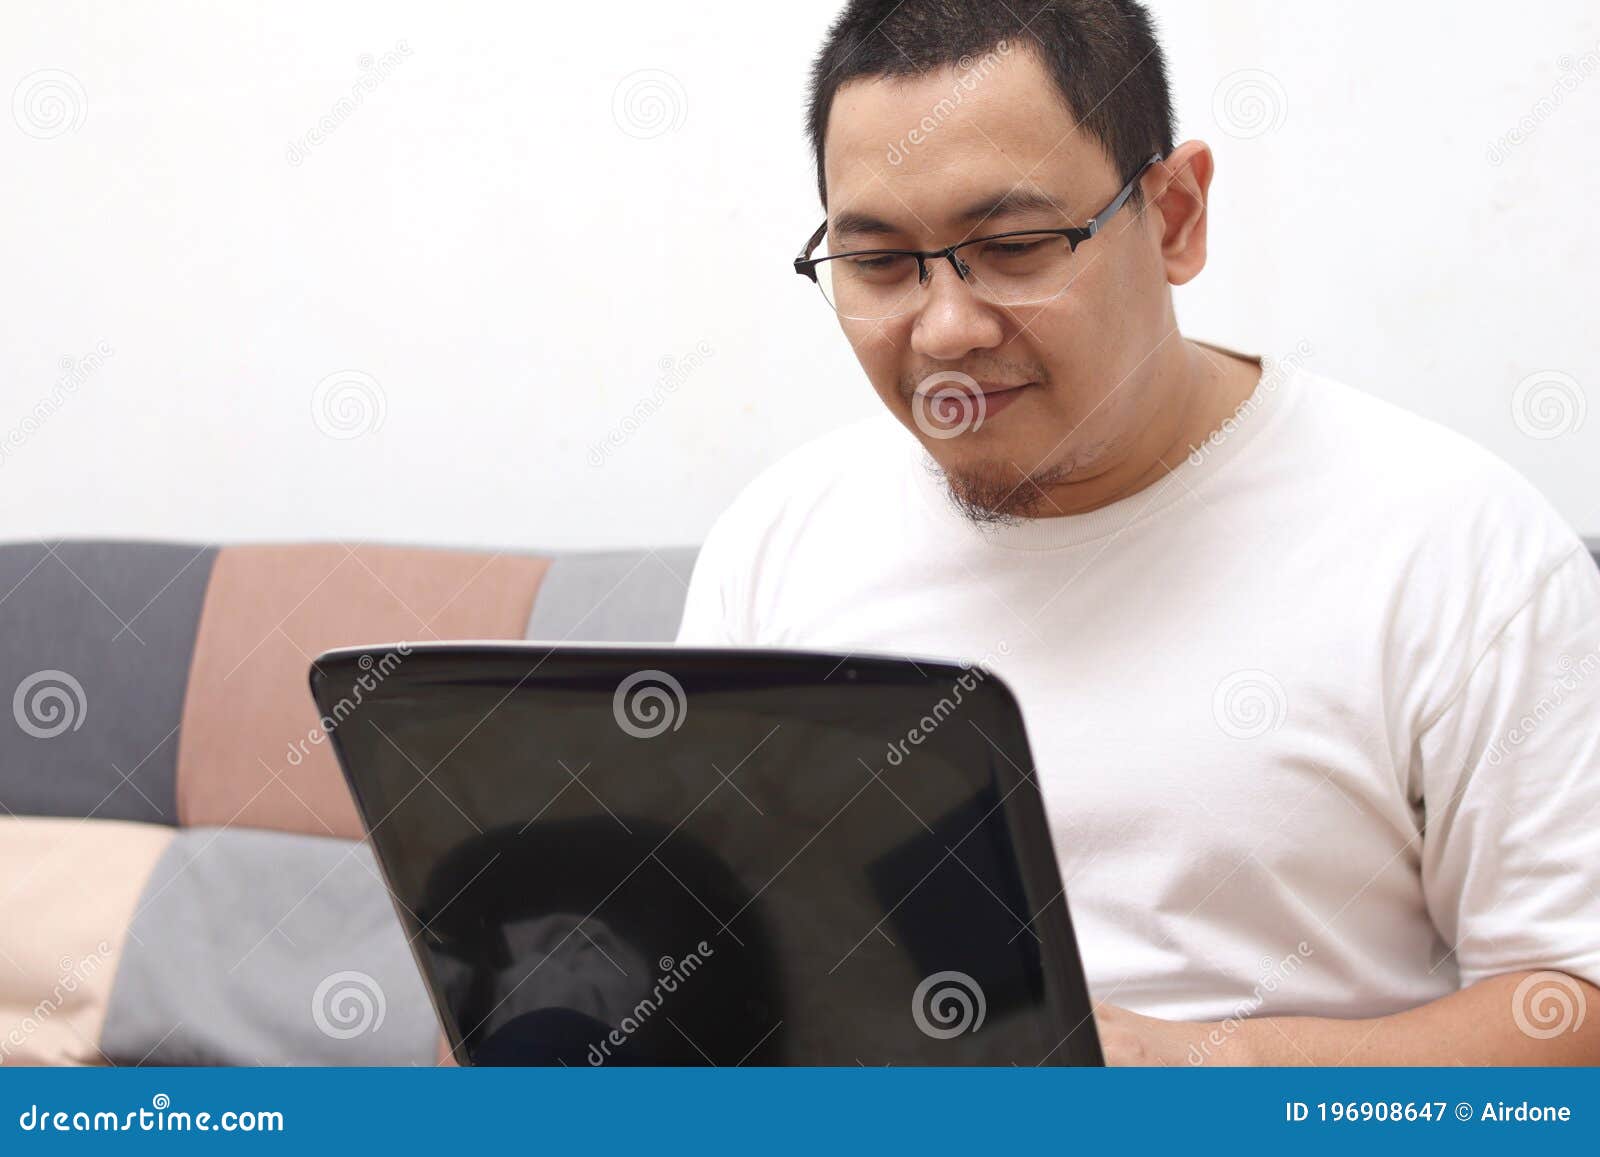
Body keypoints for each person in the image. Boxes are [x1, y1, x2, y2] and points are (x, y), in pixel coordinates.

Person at [676, 0, 1600, 1064]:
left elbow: (1572, 996)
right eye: (879, 263)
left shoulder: (1453, 542)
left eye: (1015, 246)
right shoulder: (782, 537)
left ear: (1173, 215)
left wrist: (1206, 1068)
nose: (944, 329)